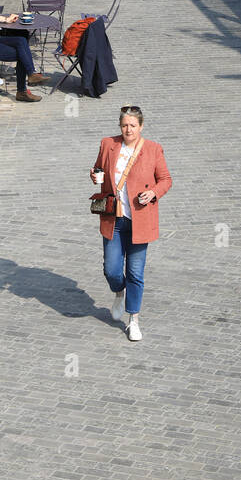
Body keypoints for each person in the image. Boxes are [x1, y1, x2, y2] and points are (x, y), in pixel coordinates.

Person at [90, 106, 173, 342]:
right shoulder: (108, 144)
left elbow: (166, 179)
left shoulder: (153, 149)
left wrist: (154, 193)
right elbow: (97, 169)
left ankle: (133, 320)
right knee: (112, 270)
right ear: (120, 126)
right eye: (125, 125)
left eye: (133, 125)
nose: (128, 129)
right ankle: (119, 292)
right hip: (114, 219)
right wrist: (96, 176)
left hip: (140, 219)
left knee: (135, 273)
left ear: (141, 126)